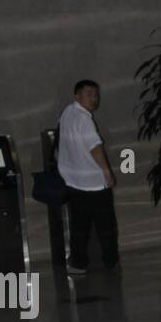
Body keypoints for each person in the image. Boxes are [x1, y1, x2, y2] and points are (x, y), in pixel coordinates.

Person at [56, 79, 119, 274]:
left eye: (96, 94)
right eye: (89, 93)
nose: (94, 98)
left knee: (79, 227)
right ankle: (110, 261)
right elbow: (94, 147)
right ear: (77, 95)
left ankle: (78, 264)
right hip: (94, 182)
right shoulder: (84, 119)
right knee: (106, 226)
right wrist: (107, 172)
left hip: (74, 181)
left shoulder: (67, 113)